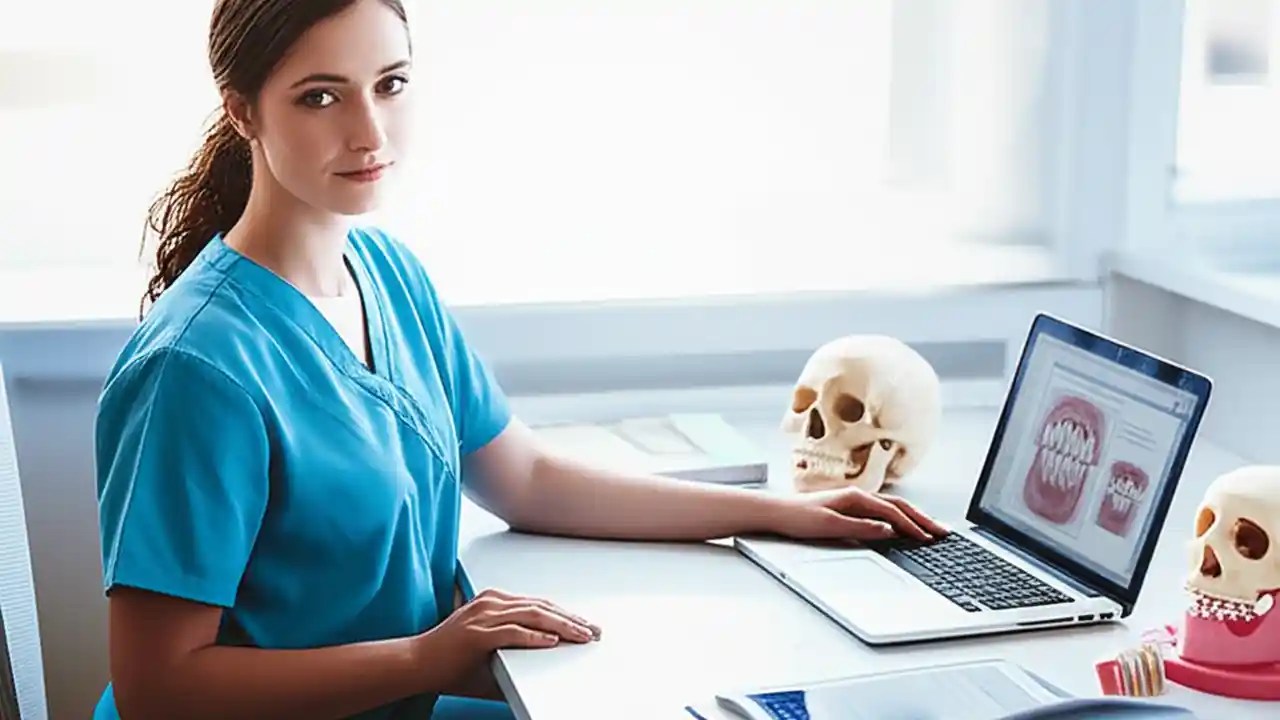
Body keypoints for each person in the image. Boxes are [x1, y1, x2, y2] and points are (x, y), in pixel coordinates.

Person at [91, 1, 950, 718]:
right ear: (243, 110)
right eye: (322, 98)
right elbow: (157, 688)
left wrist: (771, 513)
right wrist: (428, 658)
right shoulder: (197, 370)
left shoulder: (385, 272)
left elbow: (526, 479)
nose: (369, 130)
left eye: (390, 86)